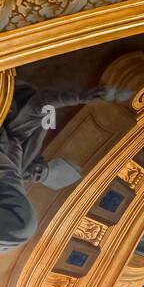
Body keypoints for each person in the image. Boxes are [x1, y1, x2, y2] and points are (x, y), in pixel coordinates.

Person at [0, 84, 132, 251]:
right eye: (40, 171)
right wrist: (85, 96)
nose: (37, 171)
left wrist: (85, 96)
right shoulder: (19, 149)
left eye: (39, 173)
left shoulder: (17, 163)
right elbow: (43, 104)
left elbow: (43, 104)